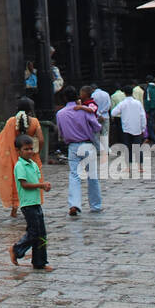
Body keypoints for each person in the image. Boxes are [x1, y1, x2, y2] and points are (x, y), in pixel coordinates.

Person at [0, 99, 44, 217]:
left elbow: (4, 142)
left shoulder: (11, 122)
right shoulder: (34, 122)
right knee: (33, 181)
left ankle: (14, 209)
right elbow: (41, 139)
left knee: (16, 183)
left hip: (15, 159)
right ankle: (33, 207)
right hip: (31, 158)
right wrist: (37, 152)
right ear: (30, 110)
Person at [8, 134, 52, 271]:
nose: (29, 152)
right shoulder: (20, 166)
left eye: (31, 149)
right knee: (34, 232)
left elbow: (37, 181)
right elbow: (25, 184)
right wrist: (41, 185)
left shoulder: (33, 164)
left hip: (36, 202)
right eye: (26, 149)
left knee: (41, 234)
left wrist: (44, 186)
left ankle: (40, 262)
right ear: (18, 151)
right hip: (27, 204)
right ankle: (16, 249)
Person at [56, 86, 102, 216]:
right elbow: (97, 127)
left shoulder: (60, 114)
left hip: (72, 146)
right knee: (92, 176)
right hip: (87, 144)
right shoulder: (85, 111)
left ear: (64, 98)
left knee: (74, 176)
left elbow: (61, 132)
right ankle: (95, 205)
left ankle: (74, 204)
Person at [111, 88, 147, 173]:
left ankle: (129, 167)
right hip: (137, 128)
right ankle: (140, 167)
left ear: (124, 93)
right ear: (132, 93)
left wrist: (122, 113)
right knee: (138, 147)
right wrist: (143, 127)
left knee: (128, 148)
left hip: (126, 128)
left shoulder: (122, 104)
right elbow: (143, 115)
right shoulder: (138, 103)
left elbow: (113, 113)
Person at [90, 83, 111, 153]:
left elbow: (93, 107)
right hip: (106, 116)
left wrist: (99, 114)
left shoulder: (93, 95)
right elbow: (109, 105)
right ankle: (106, 150)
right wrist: (102, 112)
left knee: (95, 134)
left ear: (92, 89)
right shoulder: (106, 94)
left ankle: (100, 150)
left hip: (96, 117)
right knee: (105, 134)